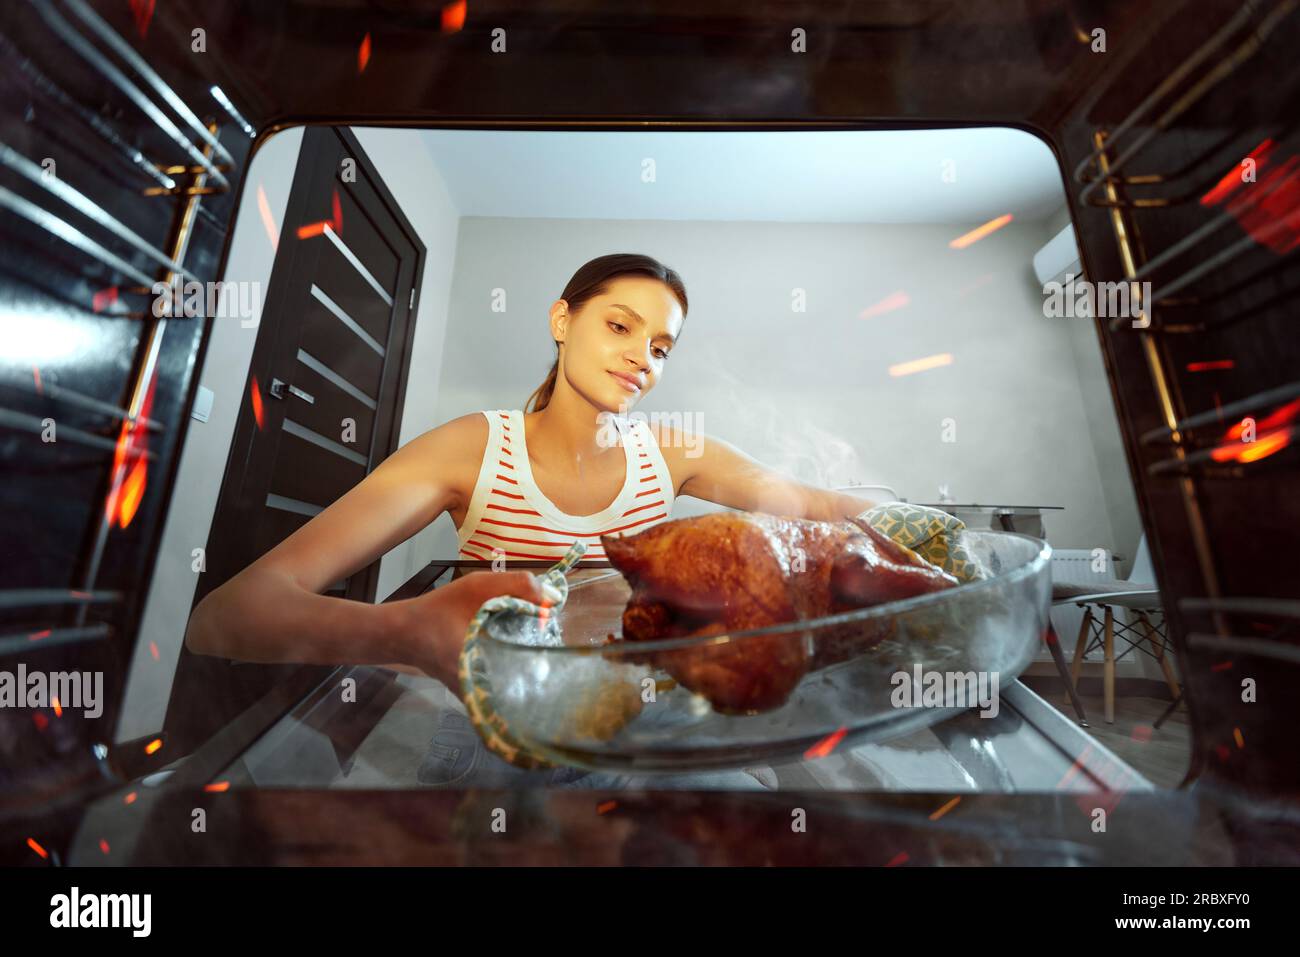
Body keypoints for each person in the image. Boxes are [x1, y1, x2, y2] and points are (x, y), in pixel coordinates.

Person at [185, 253, 878, 787]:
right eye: (619, 325)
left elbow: (818, 504)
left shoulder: (675, 451)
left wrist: (916, 525)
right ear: (561, 321)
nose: (643, 356)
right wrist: (410, 632)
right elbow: (226, 615)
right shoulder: (472, 447)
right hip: (495, 736)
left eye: (662, 347)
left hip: (651, 726)